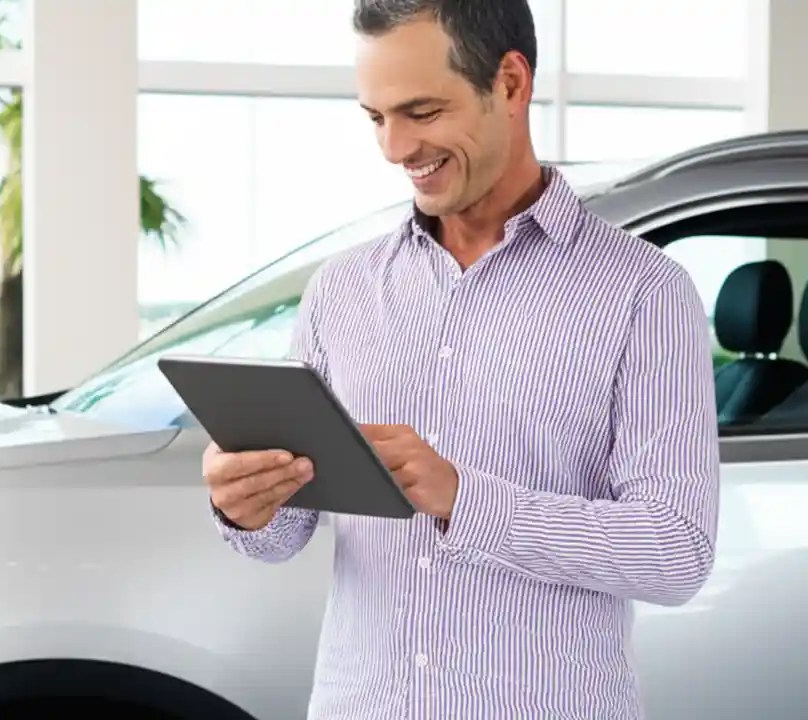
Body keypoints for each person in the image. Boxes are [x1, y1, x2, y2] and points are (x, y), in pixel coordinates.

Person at [201, 1, 721, 718]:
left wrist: (465, 500)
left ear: (510, 84)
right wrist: (247, 506)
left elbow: (675, 551)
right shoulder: (341, 291)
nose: (394, 147)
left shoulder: (643, 294)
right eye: (376, 117)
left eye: (420, 111)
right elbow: (284, 537)